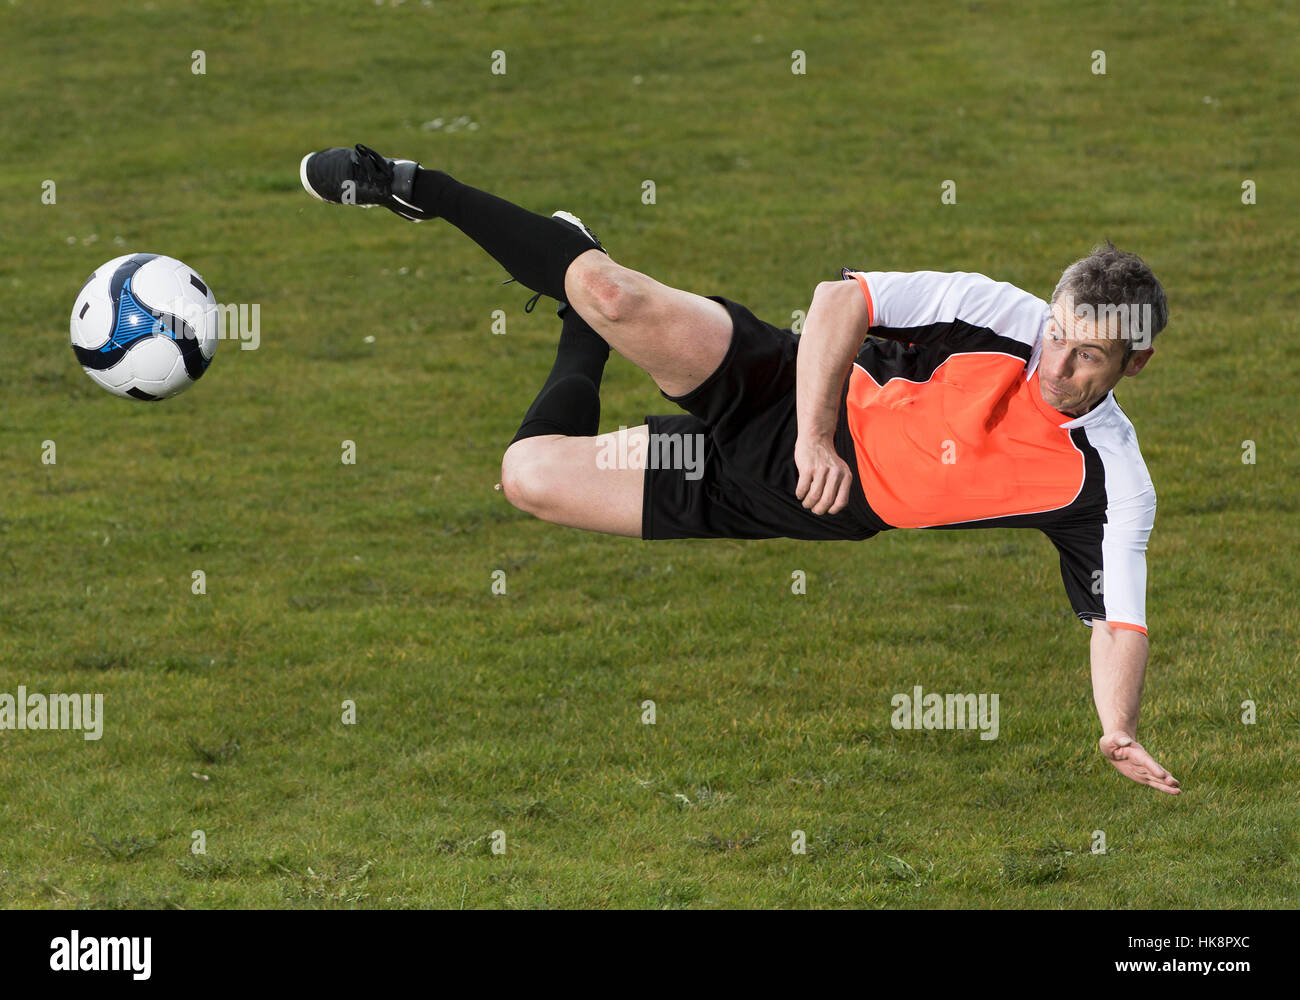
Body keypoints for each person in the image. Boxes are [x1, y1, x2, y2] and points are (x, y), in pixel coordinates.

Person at [300, 143, 1179, 795]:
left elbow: (1116, 621)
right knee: (615, 292)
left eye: (1087, 357)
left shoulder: (1110, 483)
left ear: (1132, 366)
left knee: (528, 476)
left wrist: (1117, 727)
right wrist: (815, 435)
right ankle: (417, 187)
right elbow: (843, 300)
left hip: (772, 496)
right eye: (1058, 334)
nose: (1054, 363)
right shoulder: (998, 314)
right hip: (787, 390)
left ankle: (574, 298)